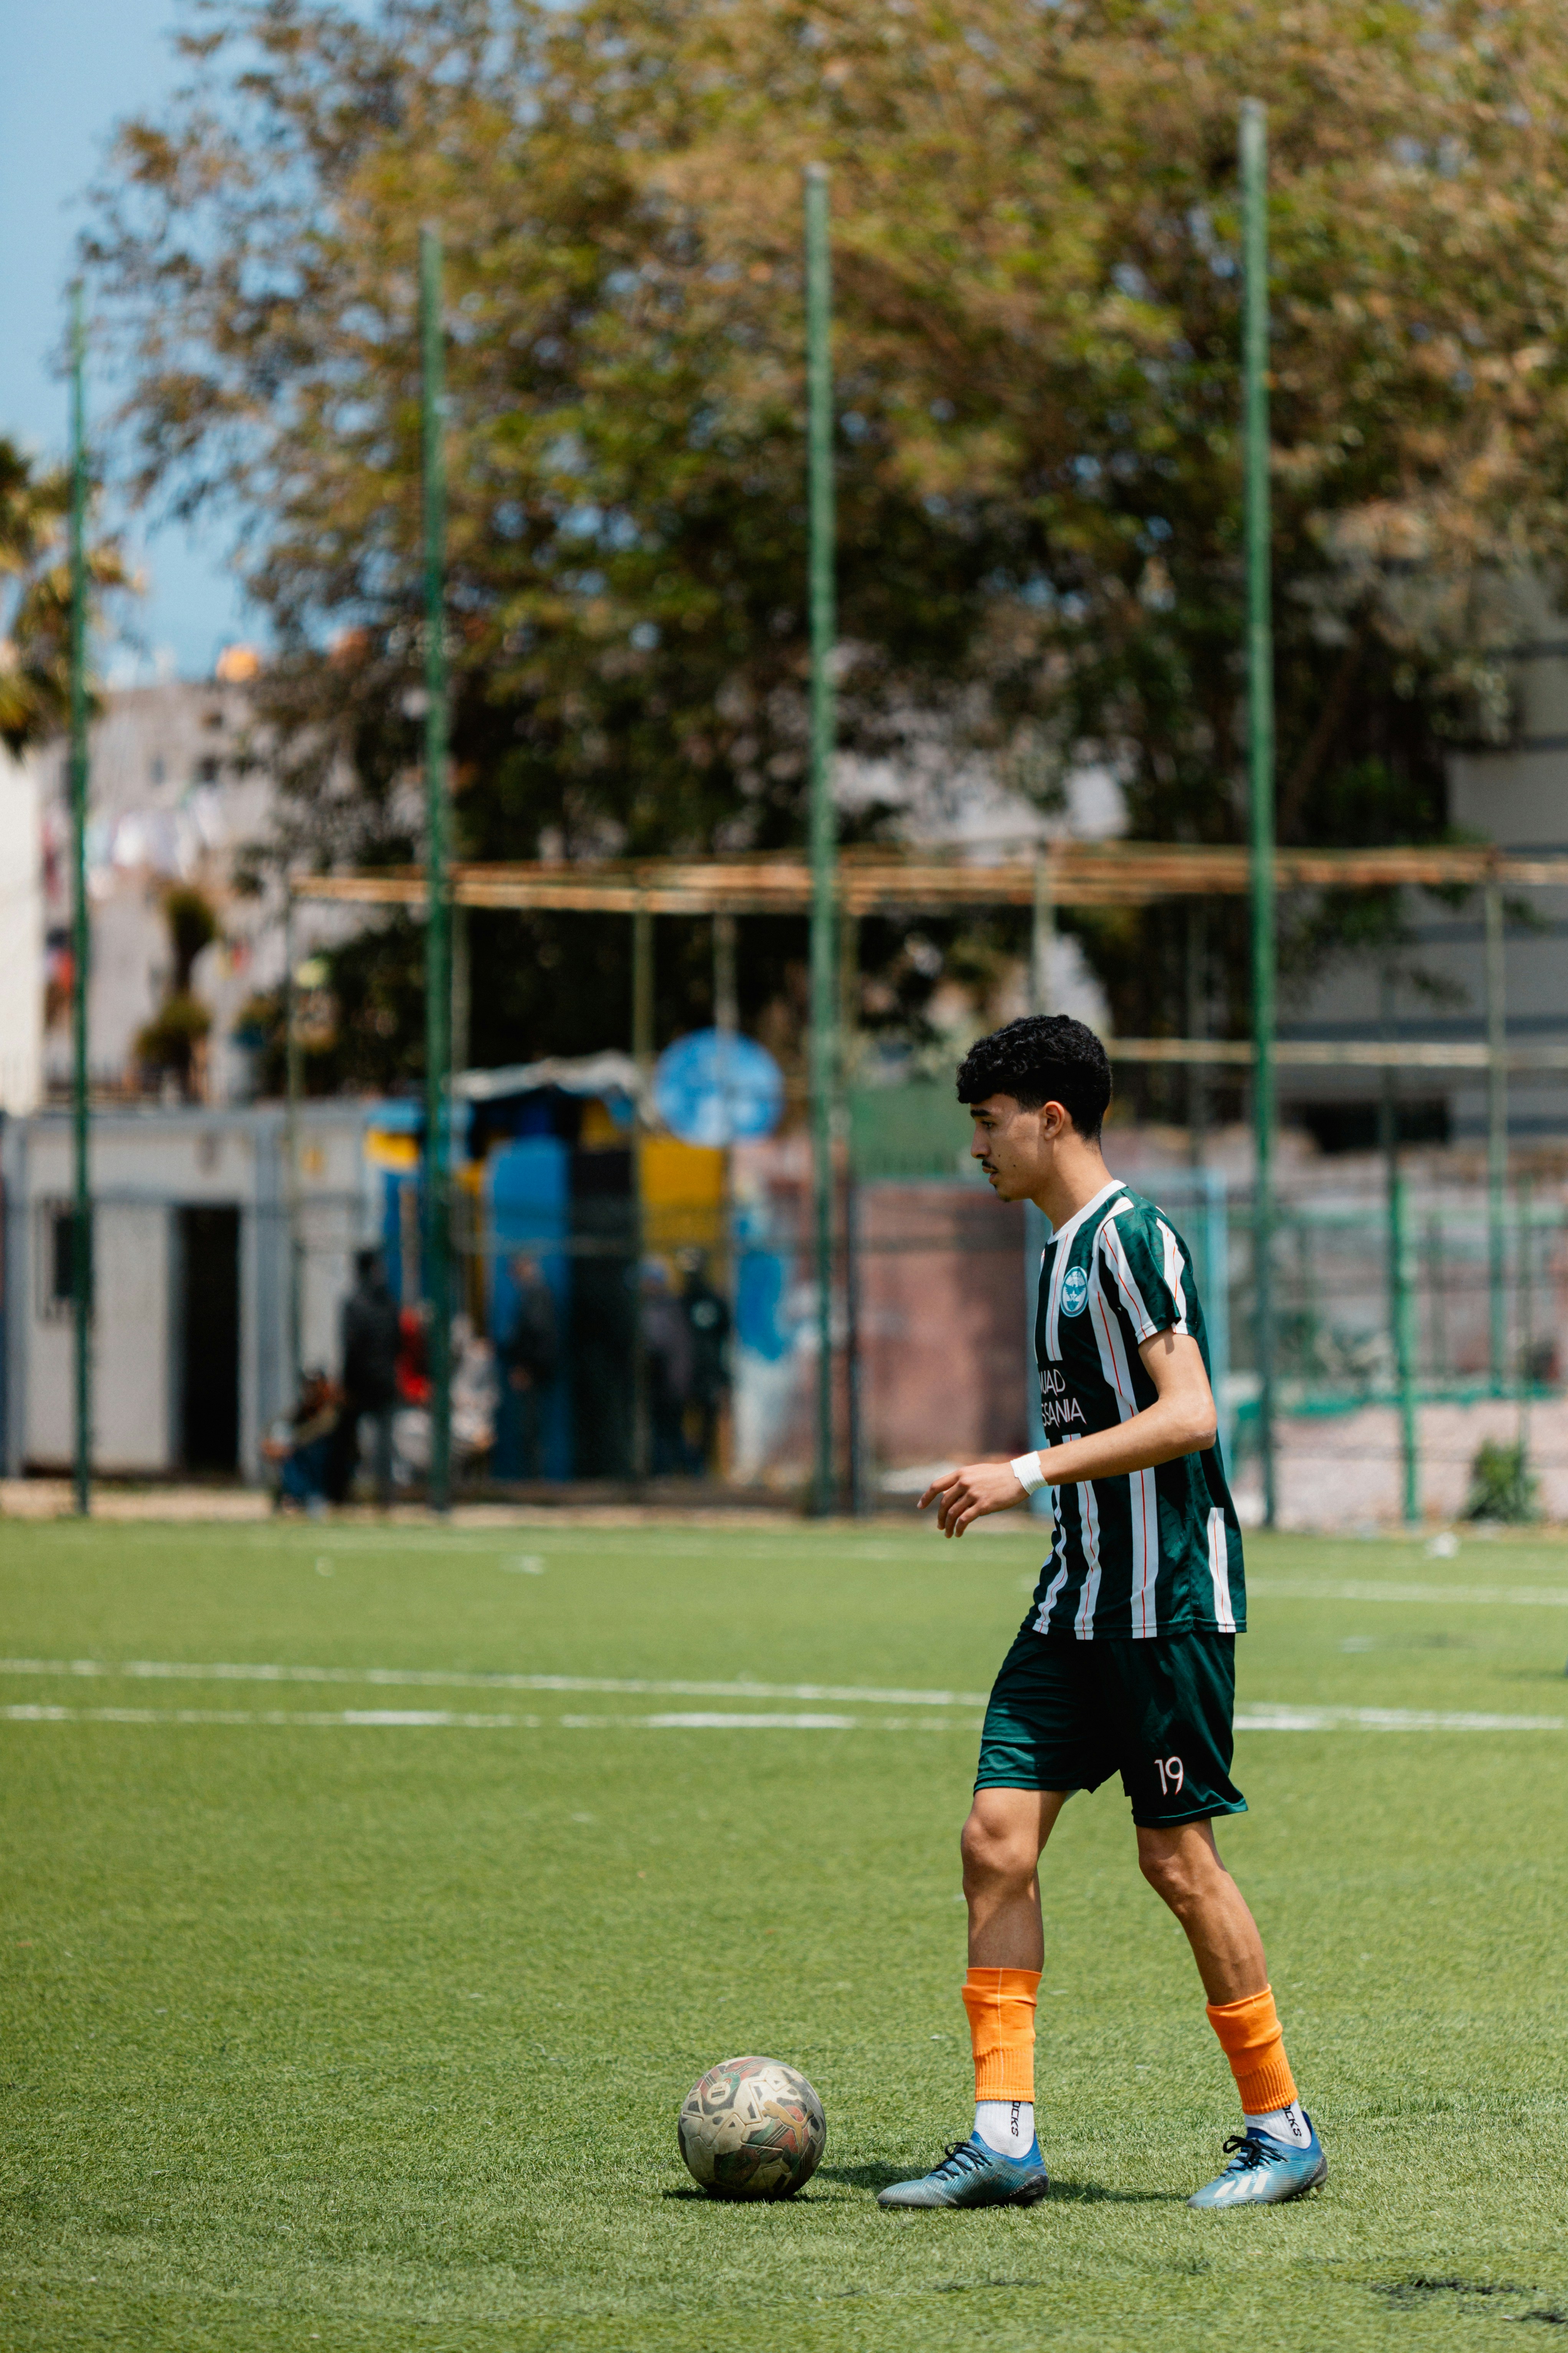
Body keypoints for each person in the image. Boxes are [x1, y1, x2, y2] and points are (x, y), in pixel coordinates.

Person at [877, 1015, 1325, 2215]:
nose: (977, 1146)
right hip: (1073, 1600)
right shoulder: (1055, 1253)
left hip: (1163, 1601)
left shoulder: (1131, 1239)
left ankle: (1280, 2128)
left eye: (988, 1123)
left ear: (1051, 1118)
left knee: (1175, 1859)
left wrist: (1021, 1471)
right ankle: (1002, 2139)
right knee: (994, 1840)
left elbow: (1191, 1414)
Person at [337, 1247, 401, 1508]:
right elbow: (397, 1342)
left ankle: (344, 1490)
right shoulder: (389, 1302)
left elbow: (351, 1348)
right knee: (384, 1440)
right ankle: (385, 1496)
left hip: (360, 1380)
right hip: (385, 1377)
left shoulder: (354, 1304)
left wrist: (347, 1384)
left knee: (347, 1434)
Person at [499, 1254, 559, 1478]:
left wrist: (525, 1367)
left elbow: (536, 1331)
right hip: (537, 1369)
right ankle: (534, 1477)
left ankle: (534, 1479)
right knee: (532, 1427)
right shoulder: (537, 1293)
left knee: (530, 1427)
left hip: (533, 1371)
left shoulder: (536, 1294)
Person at [678, 1247, 731, 1473]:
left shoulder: (714, 1302)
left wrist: (723, 1374)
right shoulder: (681, 1302)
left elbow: (725, 1335)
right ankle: (687, 1466)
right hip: (684, 1372)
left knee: (708, 1420)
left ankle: (703, 1468)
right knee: (679, 1421)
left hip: (708, 1371)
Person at [262, 1368, 339, 1516]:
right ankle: (291, 1496)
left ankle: (314, 1496)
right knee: (283, 1449)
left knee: (312, 1452)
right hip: (302, 1456)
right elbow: (275, 1424)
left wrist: (289, 1446)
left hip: (330, 1466)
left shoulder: (331, 1409)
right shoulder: (301, 1410)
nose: (311, 1390)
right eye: (308, 1386)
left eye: (315, 1386)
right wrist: (269, 1442)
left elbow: (318, 1430)